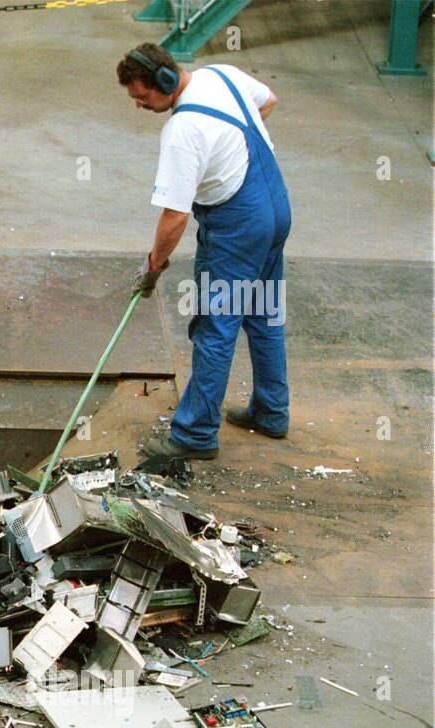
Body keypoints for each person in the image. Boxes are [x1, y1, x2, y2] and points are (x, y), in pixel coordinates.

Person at [118, 43, 292, 460]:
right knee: (265, 313)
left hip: (237, 230)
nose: (141, 106)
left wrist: (153, 267)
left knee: (216, 325)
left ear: (163, 82)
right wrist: (225, 157)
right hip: (276, 210)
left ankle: (194, 434)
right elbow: (268, 101)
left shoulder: (182, 132)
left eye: (143, 97)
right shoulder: (223, 74)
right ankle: (271, 412)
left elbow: (175, 217)